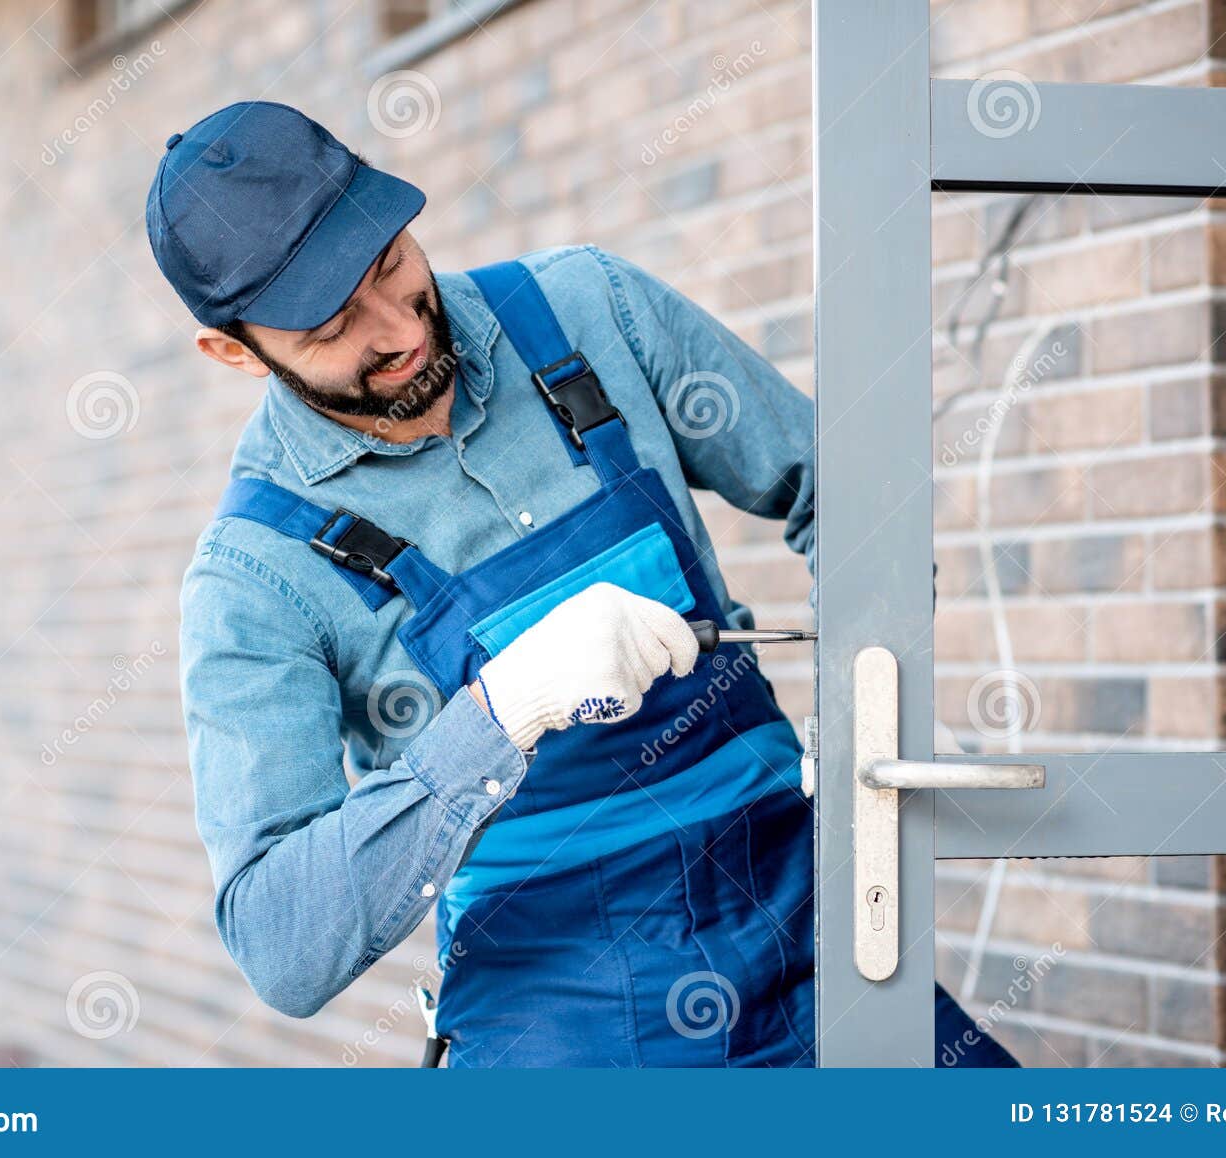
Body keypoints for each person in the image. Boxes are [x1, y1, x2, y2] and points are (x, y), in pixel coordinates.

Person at [148, 100, 1017, 1068]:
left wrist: (867, 707)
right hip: (565, 1014)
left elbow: (854, 495)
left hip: (807, 919)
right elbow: (282, 941)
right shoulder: (256, 579)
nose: (401, 327)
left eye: (389, 261)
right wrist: (503, 710)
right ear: (234, 350)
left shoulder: (589, 309)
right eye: (334, 322)